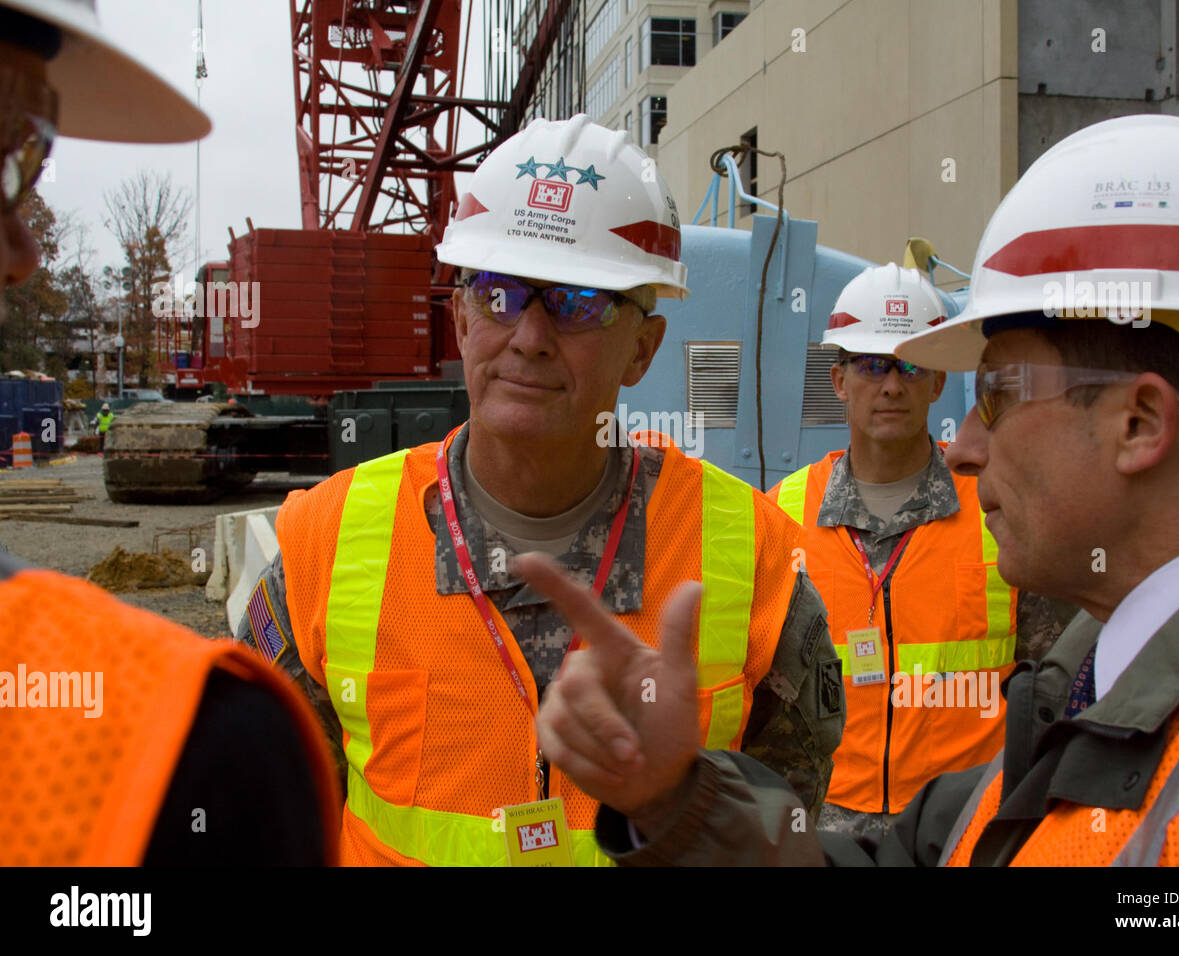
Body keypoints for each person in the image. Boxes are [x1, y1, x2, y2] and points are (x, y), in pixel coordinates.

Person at [522, 114, 1179, 866]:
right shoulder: (1087, 695)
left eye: (995, 392)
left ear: (1139, 423)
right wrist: (673, 802)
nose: (964, 444)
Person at [237, 114, 844, 866]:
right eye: (498, 292)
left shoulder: (751, 555)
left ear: (643, 351)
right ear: (460, 316)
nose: (528, 335)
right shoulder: (325, 543)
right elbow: (261, 816)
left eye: (577, 302)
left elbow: (789, 837)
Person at [0, 0, 339, 865]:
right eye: (10, 162)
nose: (25, 253)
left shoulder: (193, 742)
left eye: (28, 169)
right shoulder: (197, 743)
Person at [767, 263, 1064, 838]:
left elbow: (1054, 675)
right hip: (828, 826)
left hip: (967, 820)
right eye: (872, 366)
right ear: (838, 381)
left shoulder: (998, 500)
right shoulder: (783, 512)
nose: (892, 386)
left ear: (935, 383)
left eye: (910, 366)